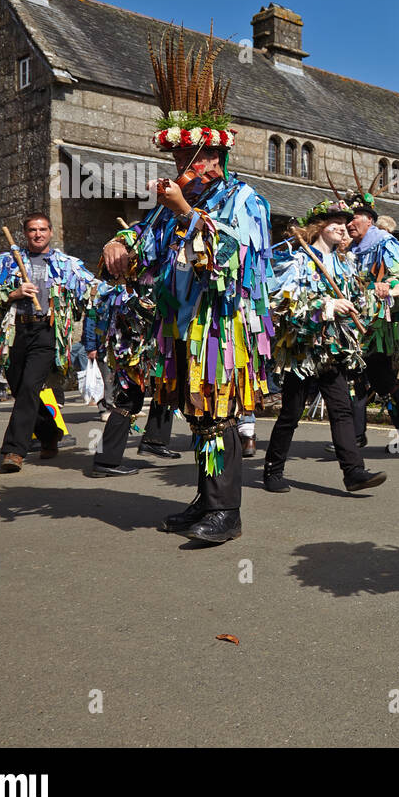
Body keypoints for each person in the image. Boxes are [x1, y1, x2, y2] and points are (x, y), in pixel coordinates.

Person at [102, 27, 273, 545]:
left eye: (191, 162)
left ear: (215, 161)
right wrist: (119, 245)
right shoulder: (170, 206)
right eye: (178, 163)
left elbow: (236, 257)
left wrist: (186, 212)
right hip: (182, 324)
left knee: (218, 410)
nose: (183, 171)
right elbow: (146, 246)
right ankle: (205, 498)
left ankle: (227, 511)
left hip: (222, 328)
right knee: (198, 414)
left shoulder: (246, 200)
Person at [264, 197, 385, 493]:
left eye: (345, 225)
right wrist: (327, 304)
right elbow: (285, 305)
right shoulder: (300, 259)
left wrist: (366, 301)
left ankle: (354, 471)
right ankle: (272, 470)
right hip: (303, 349)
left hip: (333, 349)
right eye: (337, 224)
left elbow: (356, 295)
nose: (343, 230)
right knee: (291, 412)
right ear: (320, 226)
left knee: (342, 409)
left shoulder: (345, 262)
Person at [0, 212, 97, 473]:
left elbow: (91, 288)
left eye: (43, 229)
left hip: (46, 332)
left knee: (29, 389)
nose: (38, 234)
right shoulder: (7, 262)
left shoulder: (65, 264)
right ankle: (50, 434)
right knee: (20, 389)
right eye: (33, 230)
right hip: (16, 331)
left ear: (50, 233)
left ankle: (14, 451)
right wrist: (14, 293)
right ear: (26, 233)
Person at [345, 190, 399, 452]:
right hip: (355, 323)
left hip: (377, 324)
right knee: (371, 379)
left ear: (370, 219)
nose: (349, 223)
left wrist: (386, 283)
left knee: (365, 377)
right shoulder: (349, 247)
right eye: (347, 218)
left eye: (355, 217)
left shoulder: (384, 242)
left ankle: (358, 437)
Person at [85, 279, 178, 478]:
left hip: (143, 340)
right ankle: (106, 460)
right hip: (134, 341)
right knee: (128, 401)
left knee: (159, 388)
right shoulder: (133, 280)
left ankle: (153, 440)